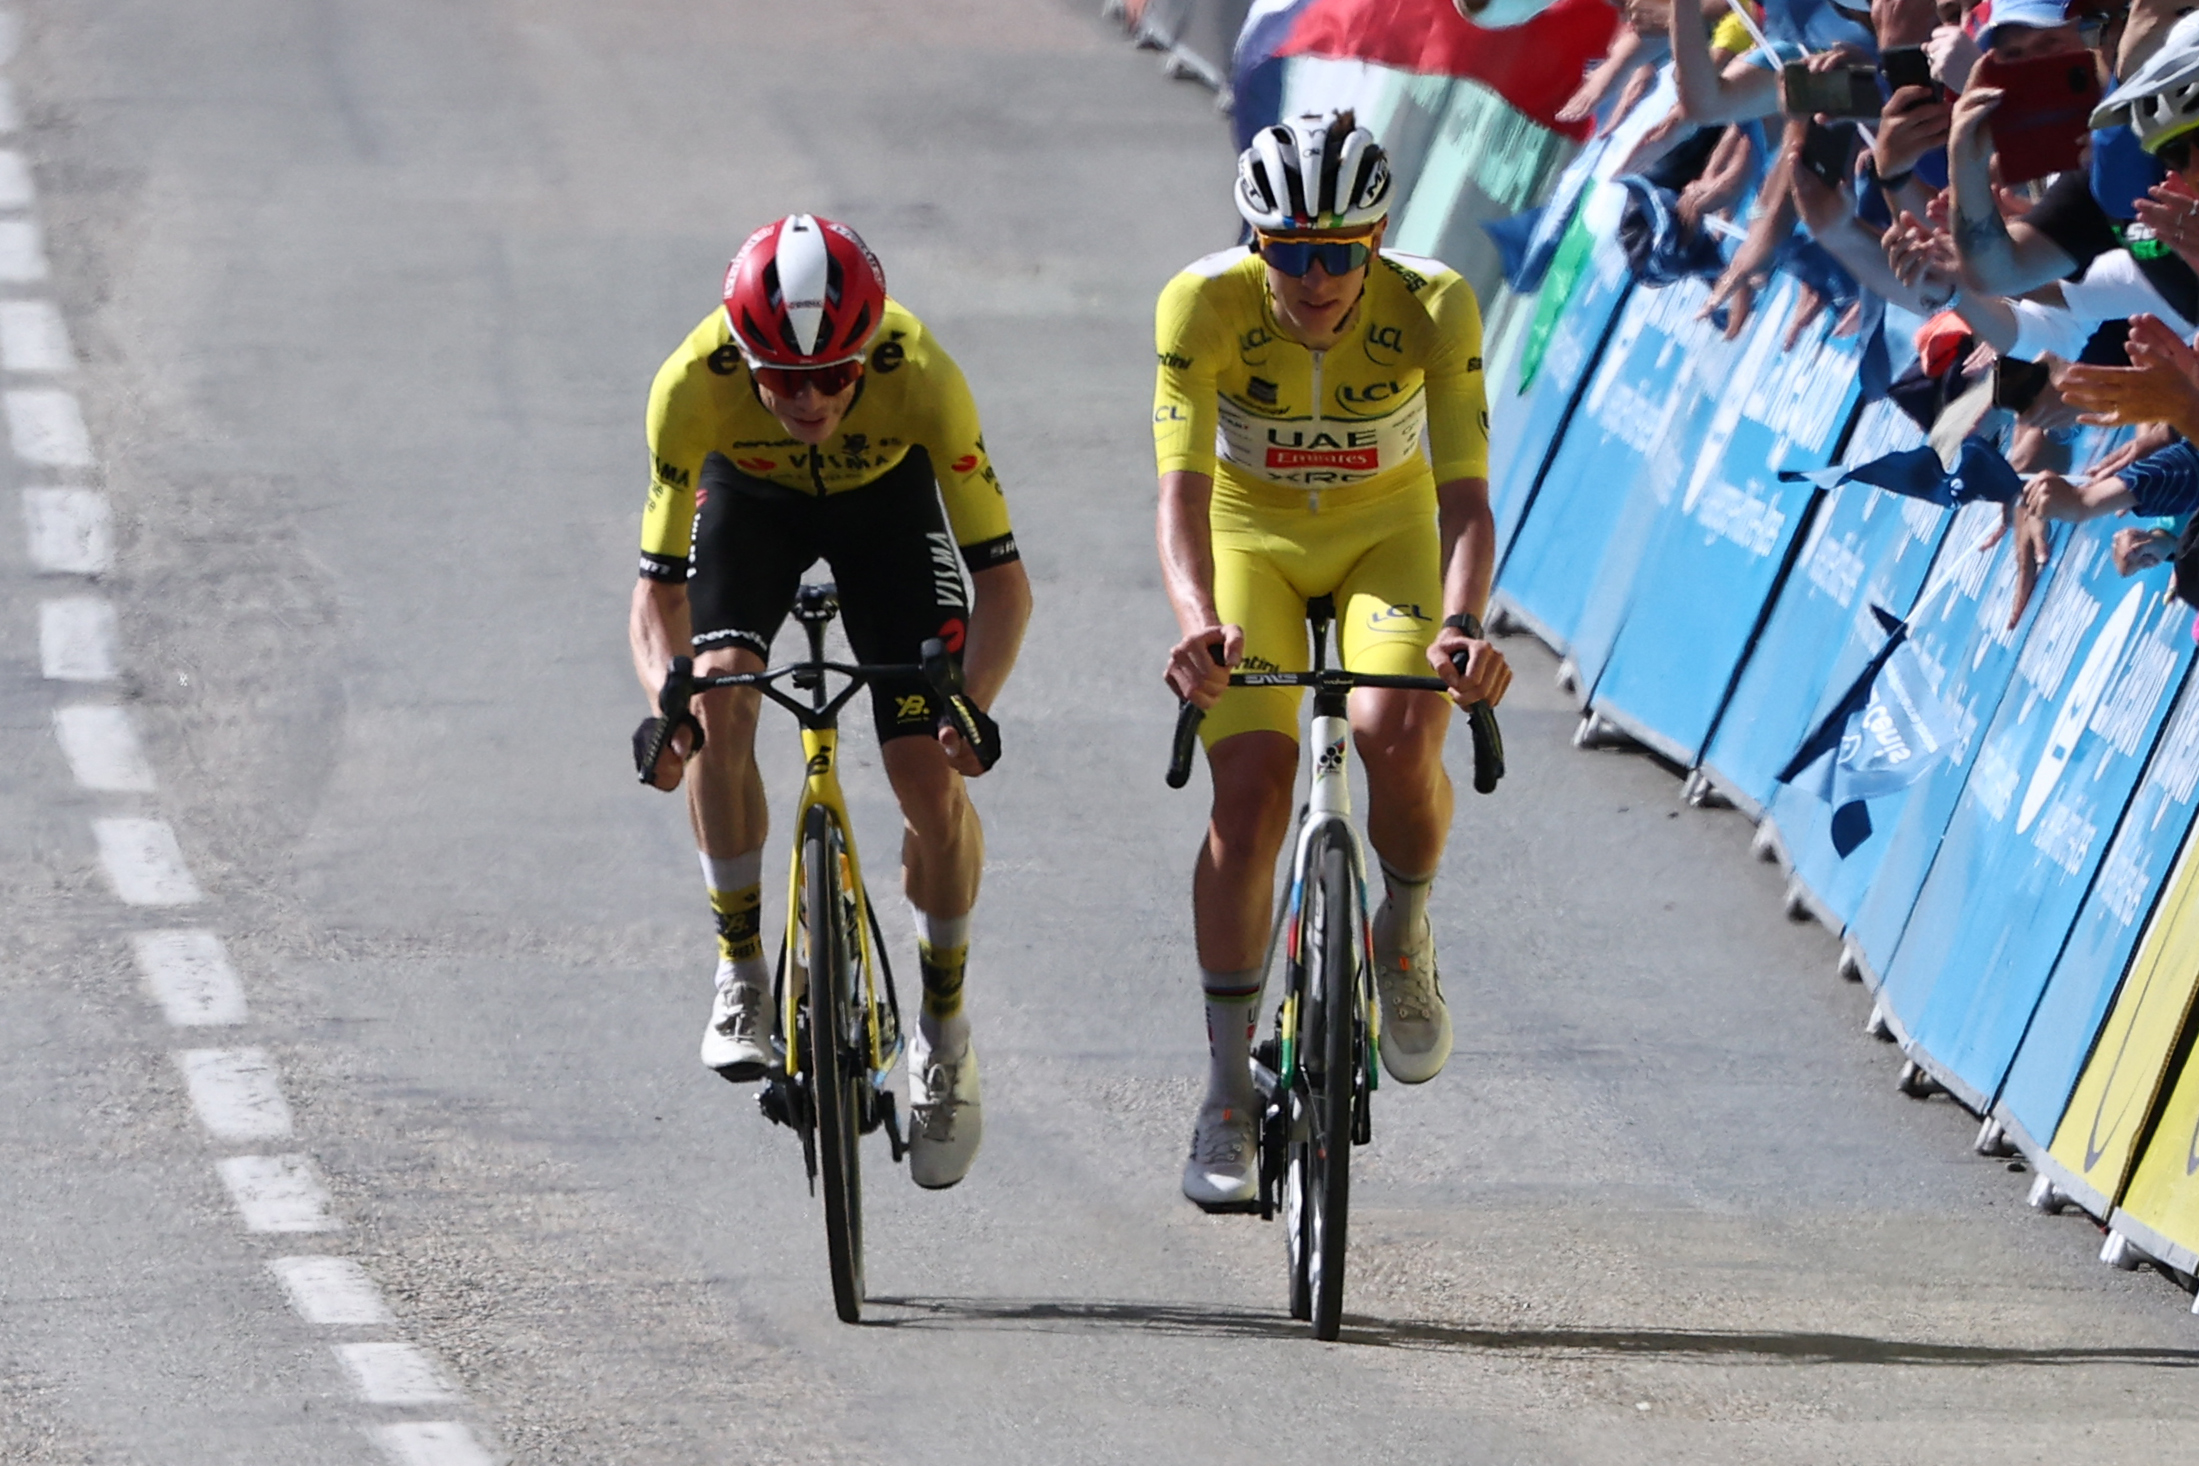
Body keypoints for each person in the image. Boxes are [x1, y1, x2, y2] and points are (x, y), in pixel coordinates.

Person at [1152, 112, 1514, 1211]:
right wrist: (1198, 623)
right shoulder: (1200, 303)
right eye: (1292, 253)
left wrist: (1458, 624)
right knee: (1250, 794)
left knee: (1393, 731)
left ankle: (1400, 928)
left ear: (1378, 240)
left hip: (1385, 535)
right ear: (1256, 242)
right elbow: (1179, 495)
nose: (1315, 280)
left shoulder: (1435, 304)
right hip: (1251, 540)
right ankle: (1225, 1087)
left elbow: (1464, 496)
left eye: (1340, 254)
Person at [628, 214, 1033, 1190]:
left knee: (925, 776)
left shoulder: (923, 373)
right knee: (722, 692)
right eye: (782, 378)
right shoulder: (692, 384)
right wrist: (668, 702)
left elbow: (1004, 584)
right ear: (743, 356)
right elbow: (658, 596)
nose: (808, 399)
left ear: (868, 355)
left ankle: (943, 1031)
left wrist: (965, 707)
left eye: (834, 375)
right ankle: (742, 970)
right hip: (752, 504)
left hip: (884, 509)